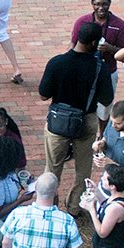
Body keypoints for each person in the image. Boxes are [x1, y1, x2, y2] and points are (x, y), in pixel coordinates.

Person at [39, 23, 111, 197]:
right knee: (83, 168)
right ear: (94, 43)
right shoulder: (100, 68)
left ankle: (49, 202)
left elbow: (43, 95)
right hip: (86, 120)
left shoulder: (56, 63)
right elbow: (106, 100)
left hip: (58, 122)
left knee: (52, 167)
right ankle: (74, 206)